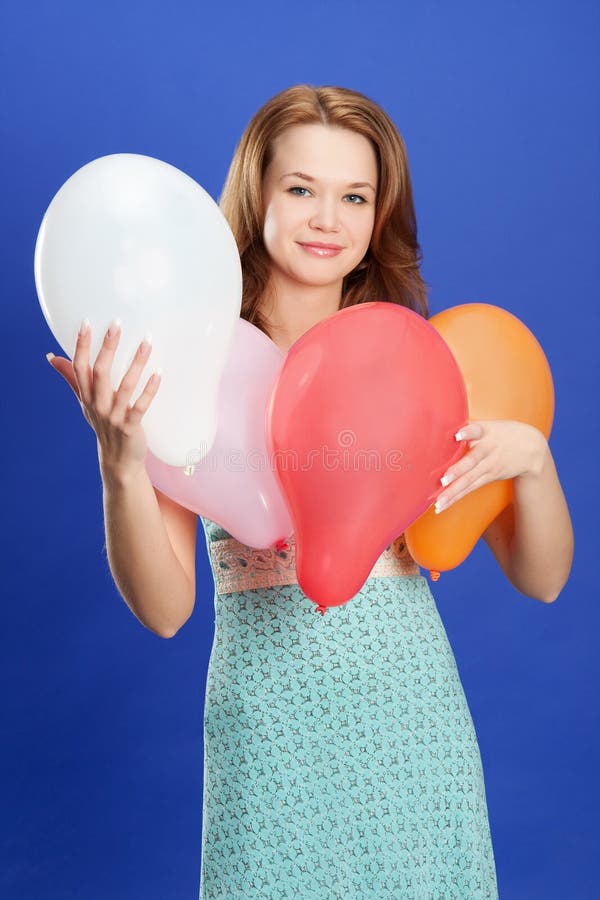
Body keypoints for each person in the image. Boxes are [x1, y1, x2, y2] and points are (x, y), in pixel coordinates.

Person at [46, 84, 574, 898]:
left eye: (354, 196)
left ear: (378, 215)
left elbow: (543, 581)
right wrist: (121, 463)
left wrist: (534, 464)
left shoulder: (418, 364)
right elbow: (164, 611)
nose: (327, 219)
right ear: (256, 194)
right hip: (270, 732)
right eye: (301, 190)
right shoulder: (193, 369)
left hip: (413, 725)